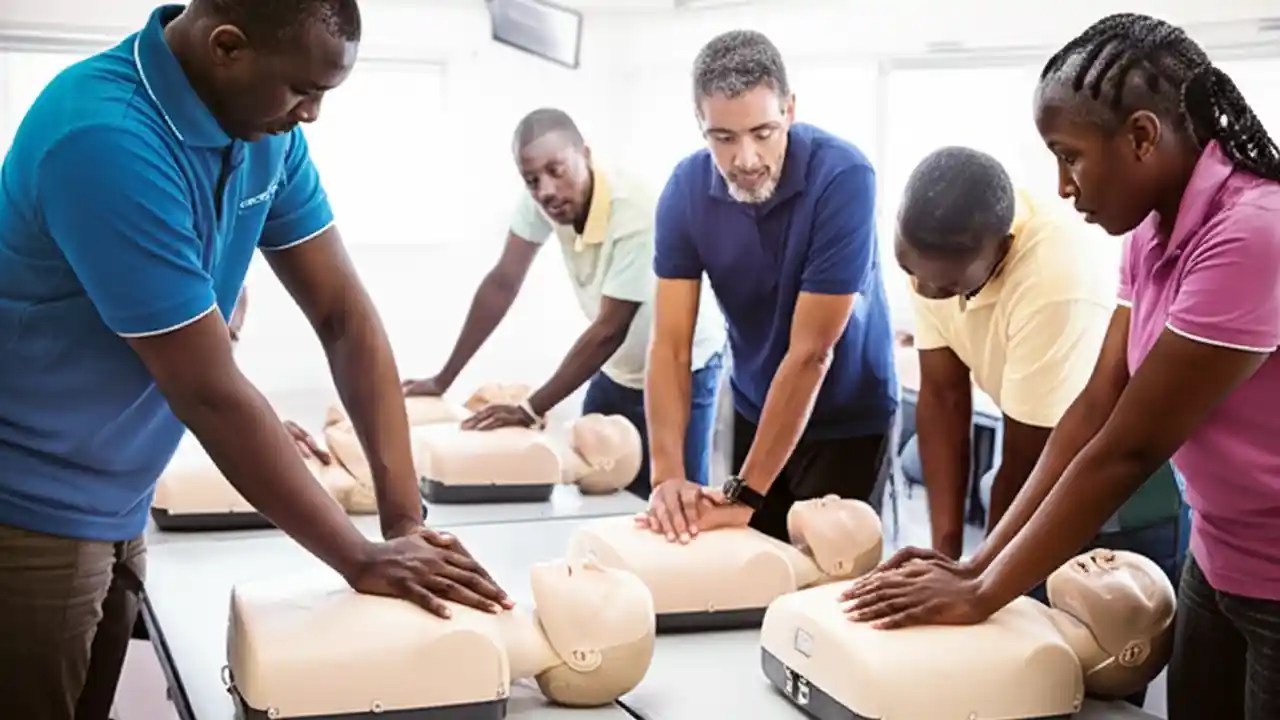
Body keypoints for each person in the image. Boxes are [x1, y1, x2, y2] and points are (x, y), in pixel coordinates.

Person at [0, 3, 509, 718]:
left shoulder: (260, 127)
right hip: (27, 509)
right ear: (228, 48)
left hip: (119, 496)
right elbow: (210, 393)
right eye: (303, 91)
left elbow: (343, 316)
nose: (314, 115)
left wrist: (404, 523)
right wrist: (358, 559)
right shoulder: (104, 139)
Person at [842, 13, 1280, 719]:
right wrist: (973, 564)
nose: (1063, 184)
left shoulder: (1255, 233)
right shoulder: (1153, 233)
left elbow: (1128, 449)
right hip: (1222, 554)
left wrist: (985, 593)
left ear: (1141, 136)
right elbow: (1096, 406)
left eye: (1069, 155)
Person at [641, 30, 898, 545]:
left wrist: (745, 495)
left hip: (846, 419)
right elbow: (670, 346)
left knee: (829, 580)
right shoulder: (684, 192)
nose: (747, 158)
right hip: (755, 407)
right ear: (701, 126)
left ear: (791, 110)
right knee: (752, 567)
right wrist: (666, 475)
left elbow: (811, 354)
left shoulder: (843, 176)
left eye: (764, 131)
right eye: (724, 138)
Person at [895, 146, 1185, 590]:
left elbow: (1028, 457)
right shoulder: (935, 254)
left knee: (1079, 650)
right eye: (910, 269)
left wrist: (976, 581)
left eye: (949, 284)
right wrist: (945, 553)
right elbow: (942, 395)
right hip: (1040, 475)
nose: (926, 290)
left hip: (1119, 498)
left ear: (1003, 250)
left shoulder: (1054, 275)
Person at [403, 108, 726, 498]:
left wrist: (530, 408)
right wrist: (444, 379)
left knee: (677, 495)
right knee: (595, 480)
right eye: (532, 180)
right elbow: (503, 283)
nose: (546, 190)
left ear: (585, 154)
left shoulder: (636, 212)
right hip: (618, 367)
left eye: (557, 170)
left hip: (682, 366)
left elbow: (610, 329)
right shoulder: (543, 201)